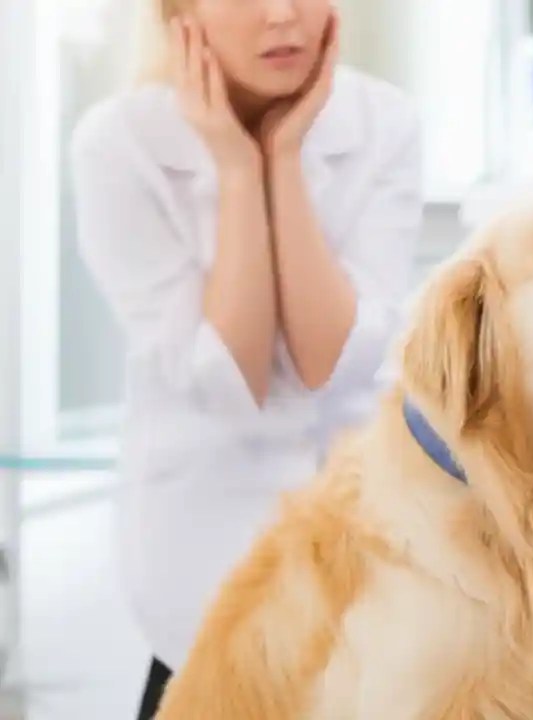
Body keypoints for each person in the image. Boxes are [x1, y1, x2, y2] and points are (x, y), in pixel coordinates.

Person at [69, 1, 423, 717]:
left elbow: (334, 363)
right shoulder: (118, 143)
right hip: (198, 540)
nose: (281, 15)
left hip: (364, 537)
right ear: (178, 15)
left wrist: (283, 157)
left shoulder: (384, 122)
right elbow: (233, 381)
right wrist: (237, 168)